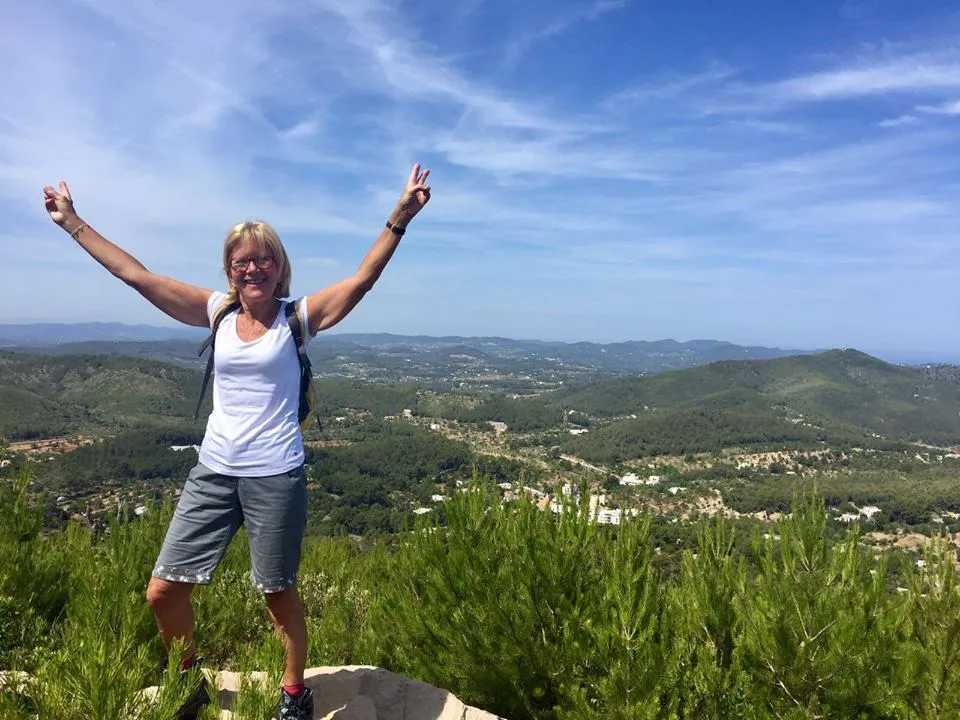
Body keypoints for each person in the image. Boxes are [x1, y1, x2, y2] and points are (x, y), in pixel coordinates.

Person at [42, 164, 432, 719]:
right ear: (230, 269)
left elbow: (361, 280)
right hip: (214, 470)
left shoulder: (299, 317)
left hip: (276, 474)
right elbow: (136, 275)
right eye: (243, 259)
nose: (253, 267)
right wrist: (72, 223)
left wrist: (400, 217)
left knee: (277, 594)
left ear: (279, 269)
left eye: (264, 258)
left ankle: (294, 693)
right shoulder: (217, 312)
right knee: (164, 592)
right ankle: (188, 679)